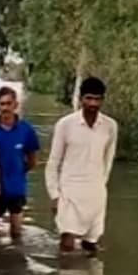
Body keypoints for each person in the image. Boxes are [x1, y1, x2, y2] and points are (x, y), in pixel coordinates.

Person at [44, 77, 118, 254]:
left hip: (95, 193)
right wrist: (54, 195)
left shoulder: (110, 126)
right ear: (80, 98)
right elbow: (53, 162)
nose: (93, 103)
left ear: (103, 100)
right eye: (89, 98)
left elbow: (108, 160)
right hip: (70, 192)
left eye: (97, 99)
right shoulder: (65, 125)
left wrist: (101, 185)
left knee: (91, 246)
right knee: (67, 244)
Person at [0, 86, 41, 238]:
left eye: (8, 103)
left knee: (17, 235)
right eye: (2, 104)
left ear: (15, 105)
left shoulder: (26, 130)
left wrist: (18, 173)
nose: (5, 108)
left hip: (17, 188)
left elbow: (32, 160)